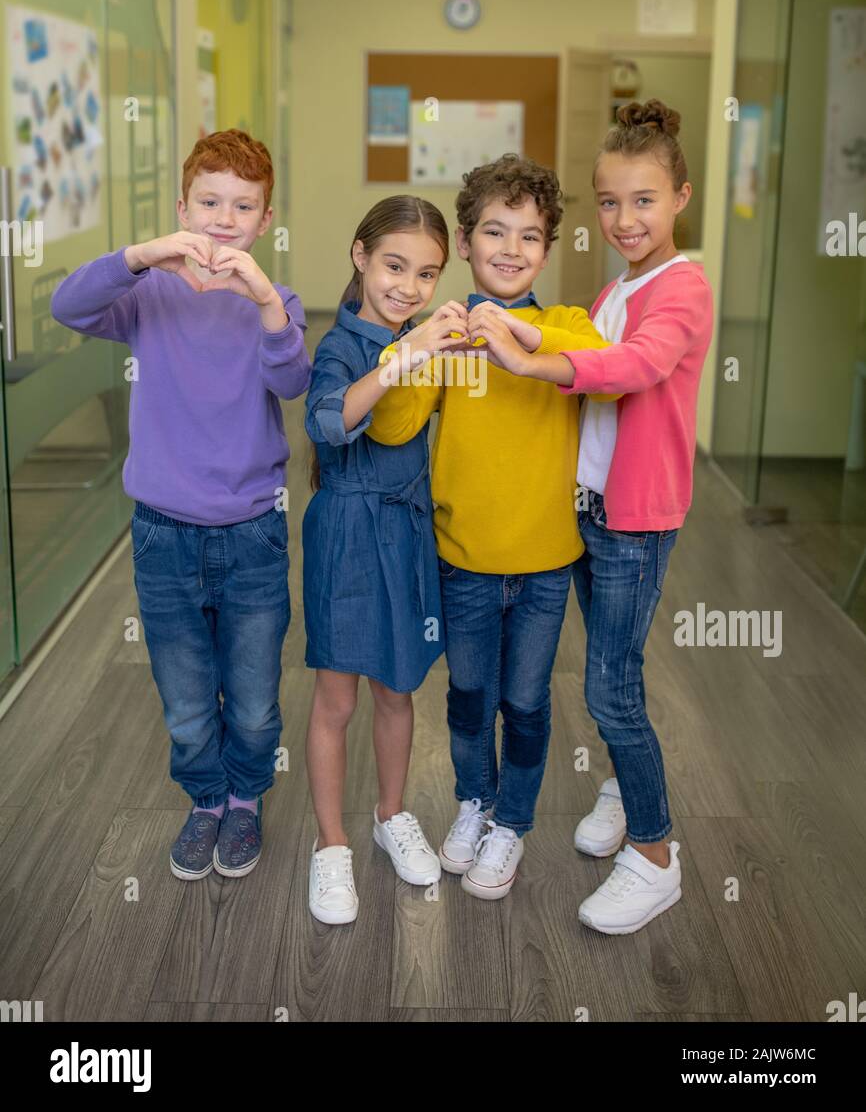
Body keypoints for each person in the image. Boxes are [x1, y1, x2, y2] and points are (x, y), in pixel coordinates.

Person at [473, 100, 713, 933]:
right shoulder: (617, 287)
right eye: (609, 202)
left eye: (644, 200)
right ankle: (623, 782)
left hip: (634, 522)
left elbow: (634, 367)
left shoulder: (682, 287)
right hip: (589, 510)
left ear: (681, 196)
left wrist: (523, 355)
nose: (624, 218)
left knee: (609, 690)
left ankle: (654, 854)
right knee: (616, 668)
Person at [50, 128, 310, 881]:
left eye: (243, 206)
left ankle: (246, 800)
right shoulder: (147, 295)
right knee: (188, 697)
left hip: (253, 532)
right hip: (163, 535)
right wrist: (139, 256)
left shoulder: (278, 302)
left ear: (265, 221)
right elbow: (70, 306)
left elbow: (292, 383)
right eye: (208, 202)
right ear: (181, 208)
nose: (223, 220)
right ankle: (206, 799)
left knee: (256, 698)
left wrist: (263, 297)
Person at [368, 156, 612, 901]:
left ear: (547, 251)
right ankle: (475, 801)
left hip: (543, 567)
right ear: (466, 245)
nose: (511, 247)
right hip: (464, 562)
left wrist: (517, 336)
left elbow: (604, 363)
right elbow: (389, 427)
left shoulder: (565, 327)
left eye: (530, 236)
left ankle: (513, 821)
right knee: (470, 697)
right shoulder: (447, 341)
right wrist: (415, 345)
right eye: (494, 232)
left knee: (528, 702)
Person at [303, 195, 469, 924]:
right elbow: (328, 423)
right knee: (337, 701)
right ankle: (331, 845)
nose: (408, 285)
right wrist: (410, 352)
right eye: (395, 265)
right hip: (344, 532)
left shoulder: (427, 341)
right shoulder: (342, 346)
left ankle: (390, 815)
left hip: (405, 535)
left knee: (398, 691)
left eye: (427, 274)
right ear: (360, 255)